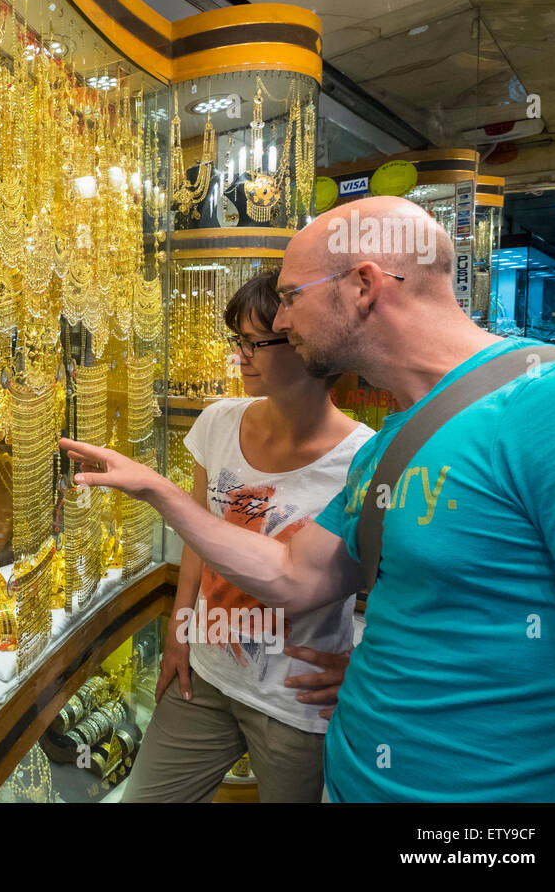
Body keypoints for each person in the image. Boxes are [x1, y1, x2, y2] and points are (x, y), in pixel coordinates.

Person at [66, 196, 555, 802]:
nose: (280, 323)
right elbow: (293, 573)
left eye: (290, 297)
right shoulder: (385, 451)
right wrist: (160, 492)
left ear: (364, 285)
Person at [122, 270, 374, 803]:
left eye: (254, 343)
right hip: (207, 675)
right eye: (237, 341)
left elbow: (398, 586)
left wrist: (365, 666)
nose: (240, 357)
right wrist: (179, 629)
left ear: (306, 341)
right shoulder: (218, 423)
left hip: (296, 699)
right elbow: (200, 537)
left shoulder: (363, 459)